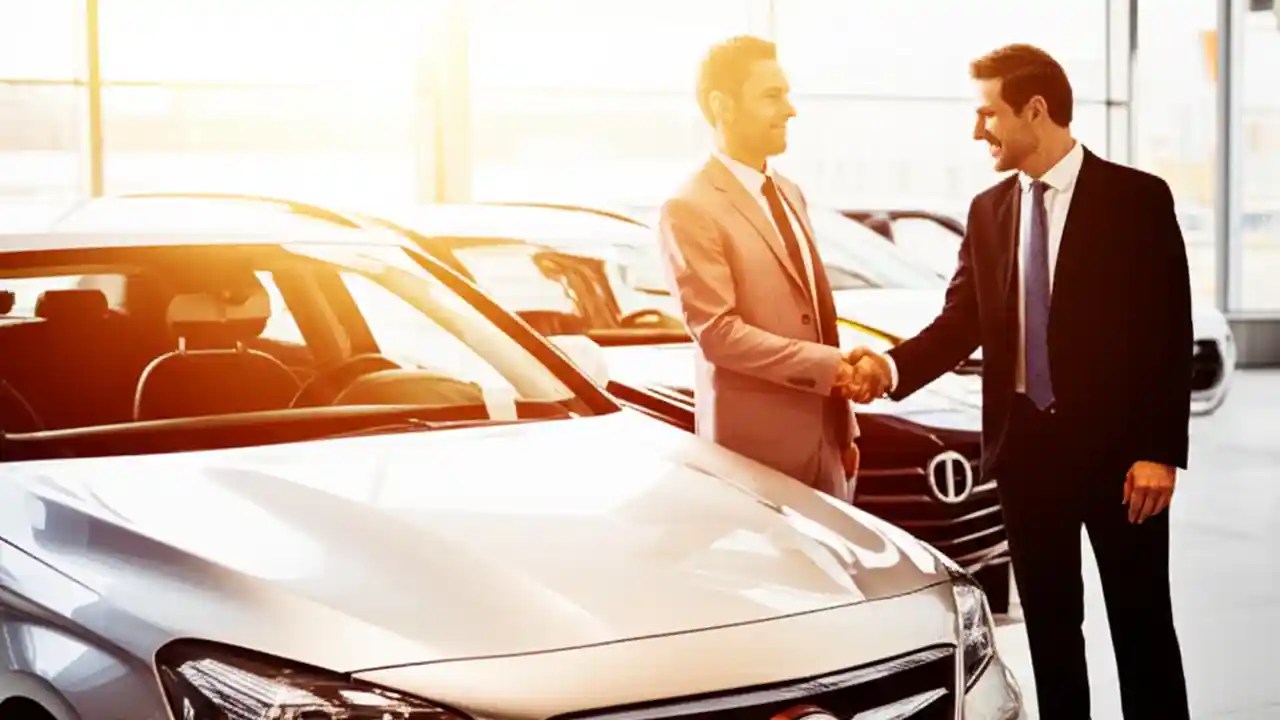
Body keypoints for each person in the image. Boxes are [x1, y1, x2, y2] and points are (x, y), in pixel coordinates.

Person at [845, 44, 1192, 718]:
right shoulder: (988, 210)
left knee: (1142, 627)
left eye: (988, 114)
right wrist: (889, 368)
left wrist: (1159, 450)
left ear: (1035, 109)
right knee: (1053, 634)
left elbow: (1166, 332)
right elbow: (961, 322)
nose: (979, 131)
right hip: (1025, 460)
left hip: (1125, 464)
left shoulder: (1136, 199)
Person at [656, 35, 860, 502]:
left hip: (826, 449)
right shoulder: (690, 206)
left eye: (787, 94)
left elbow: (817, 319)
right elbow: (718, 333)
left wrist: (844, 431)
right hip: (752, 459)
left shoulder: (790, 192)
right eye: (772, 96)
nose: (790, 110)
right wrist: (831, 368)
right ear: (721, 105)